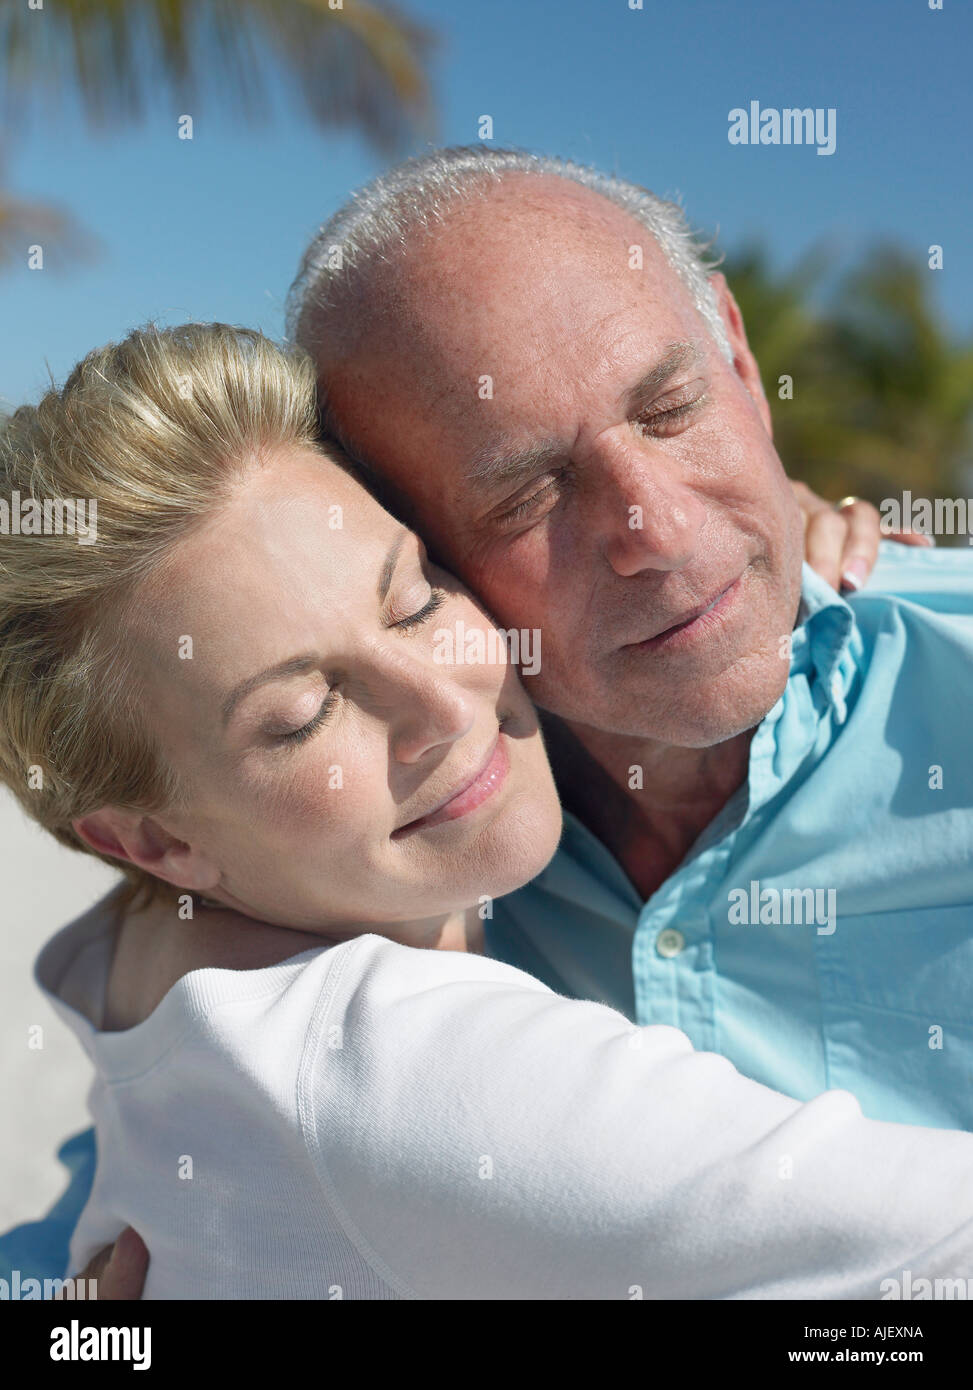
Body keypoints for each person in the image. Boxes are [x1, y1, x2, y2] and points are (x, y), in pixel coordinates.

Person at [6, 322, 973, 1300]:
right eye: (301, 716)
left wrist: (743, 547)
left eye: (416, 600)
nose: (442, 704)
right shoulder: (413, 1060)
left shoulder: (178, 1001)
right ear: (156, 842)